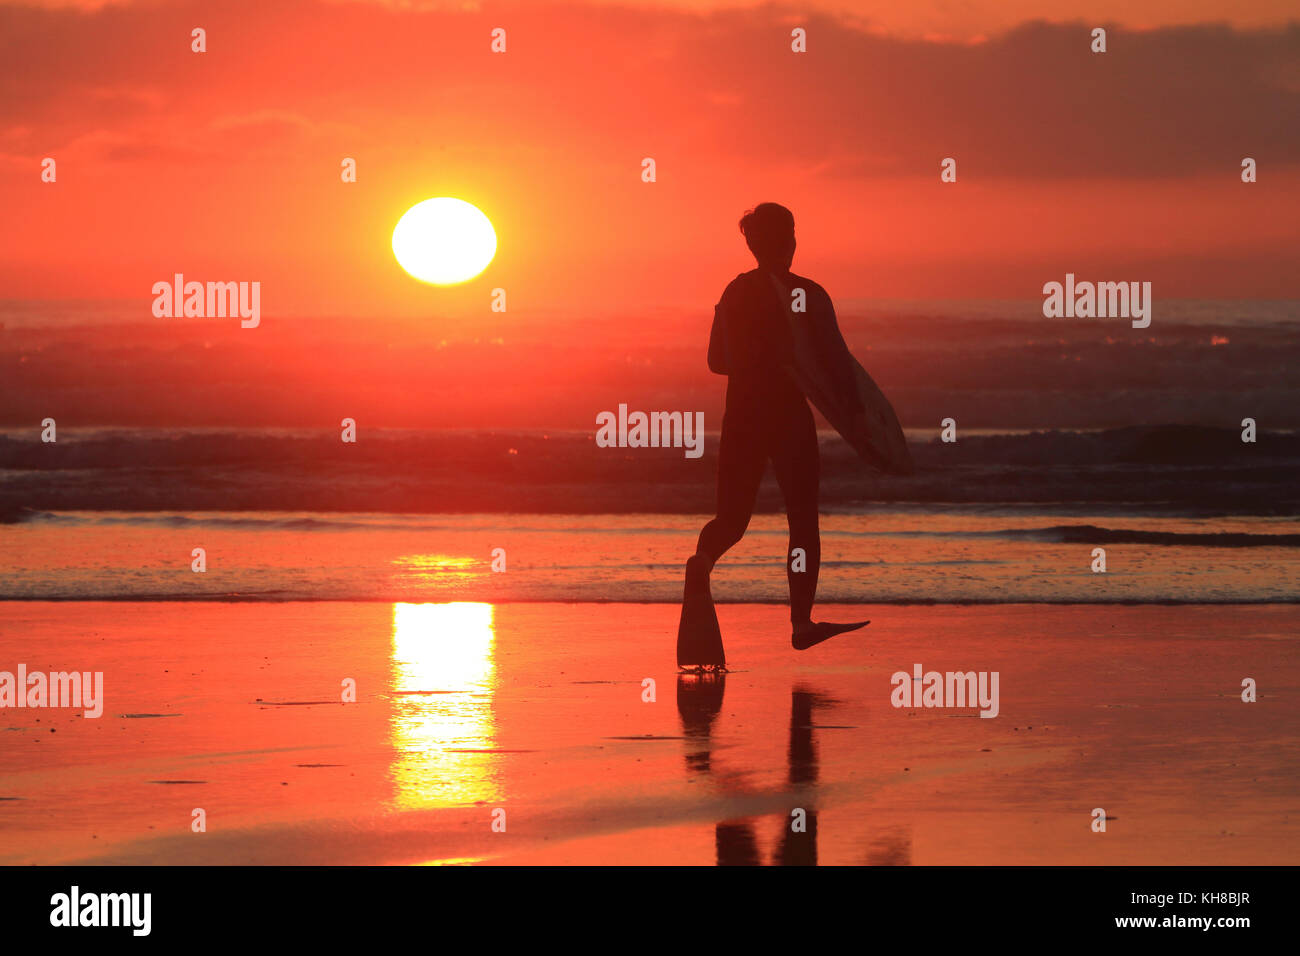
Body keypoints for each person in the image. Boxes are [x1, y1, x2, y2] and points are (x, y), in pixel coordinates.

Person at [679, 203, 868, 667]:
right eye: (792, 232)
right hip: (787, 416)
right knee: (802, 519)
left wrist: (755, 359)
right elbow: (838, 368)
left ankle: (701, 562)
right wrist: (865, 424)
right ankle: (801, 624)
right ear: (789, 241)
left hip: (742, 415)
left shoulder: (735, 292)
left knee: (731, 520)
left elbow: (715, 362)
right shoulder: (809, 294)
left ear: (752, 244)